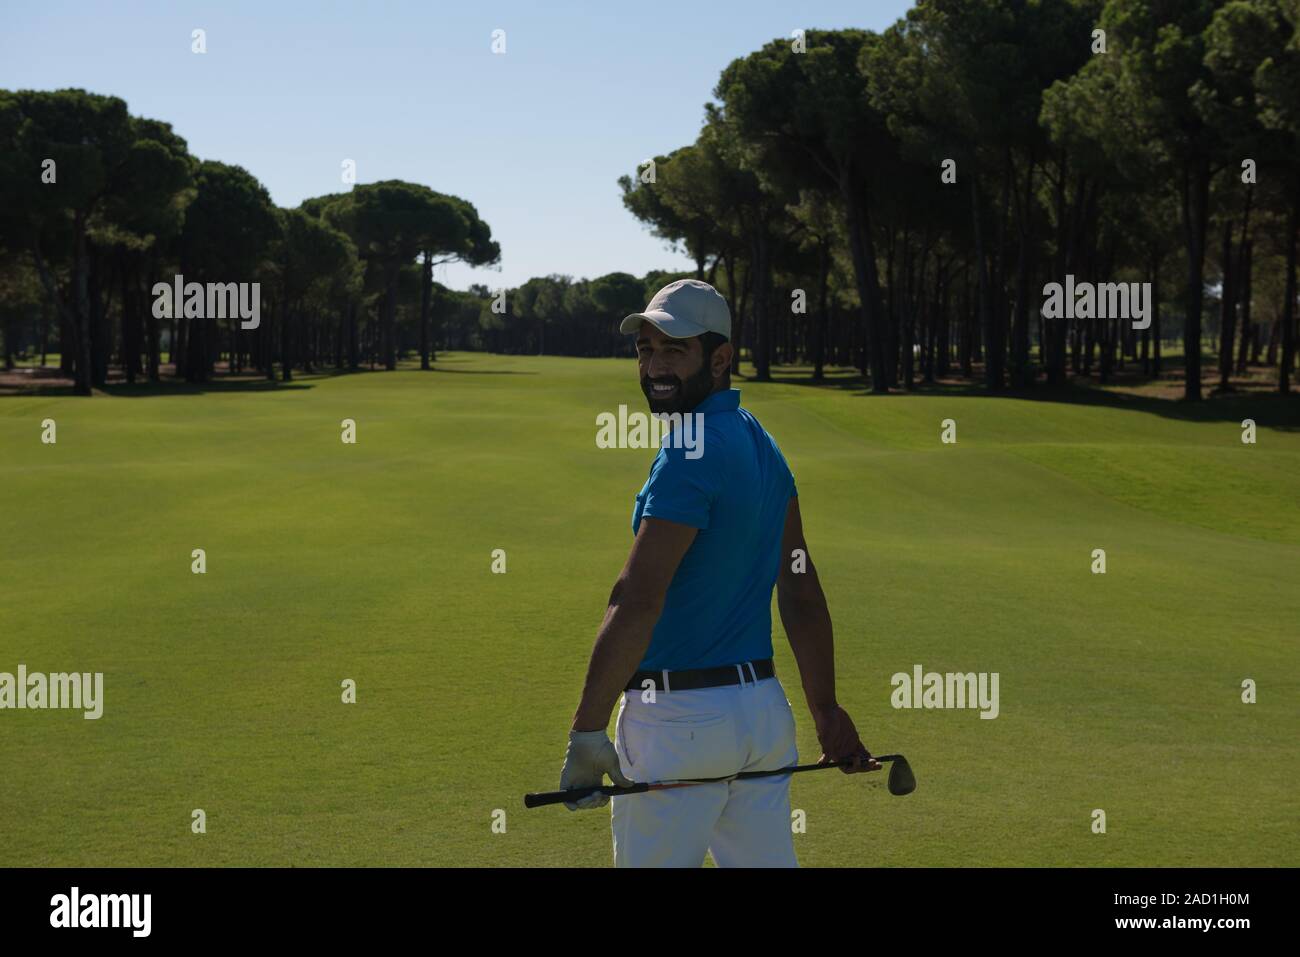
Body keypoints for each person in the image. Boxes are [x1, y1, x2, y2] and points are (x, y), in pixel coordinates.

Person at [561, 278, 875, 867]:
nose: (655, 365)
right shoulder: (763, 444)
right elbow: (801, 590)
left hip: (678, 722)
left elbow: (636, 596)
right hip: (761, 719)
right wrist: (826, 712)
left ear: (721, 358)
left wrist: (587, 732)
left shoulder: (687, 453)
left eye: (674, 351)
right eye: (645, 349)